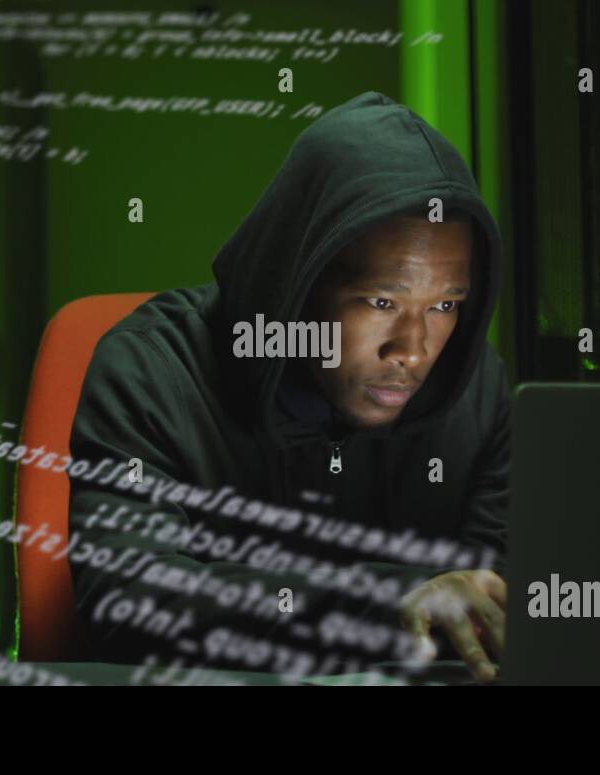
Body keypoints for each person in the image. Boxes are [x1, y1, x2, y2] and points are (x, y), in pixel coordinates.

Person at [66, 91, 510, 682]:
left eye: (446, 305)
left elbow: (497, 609)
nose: (412, 349)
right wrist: (391, 600)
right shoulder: (152, 370)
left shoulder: (478, 388)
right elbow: (124, 600)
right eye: (382, 301)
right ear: (293, 285)